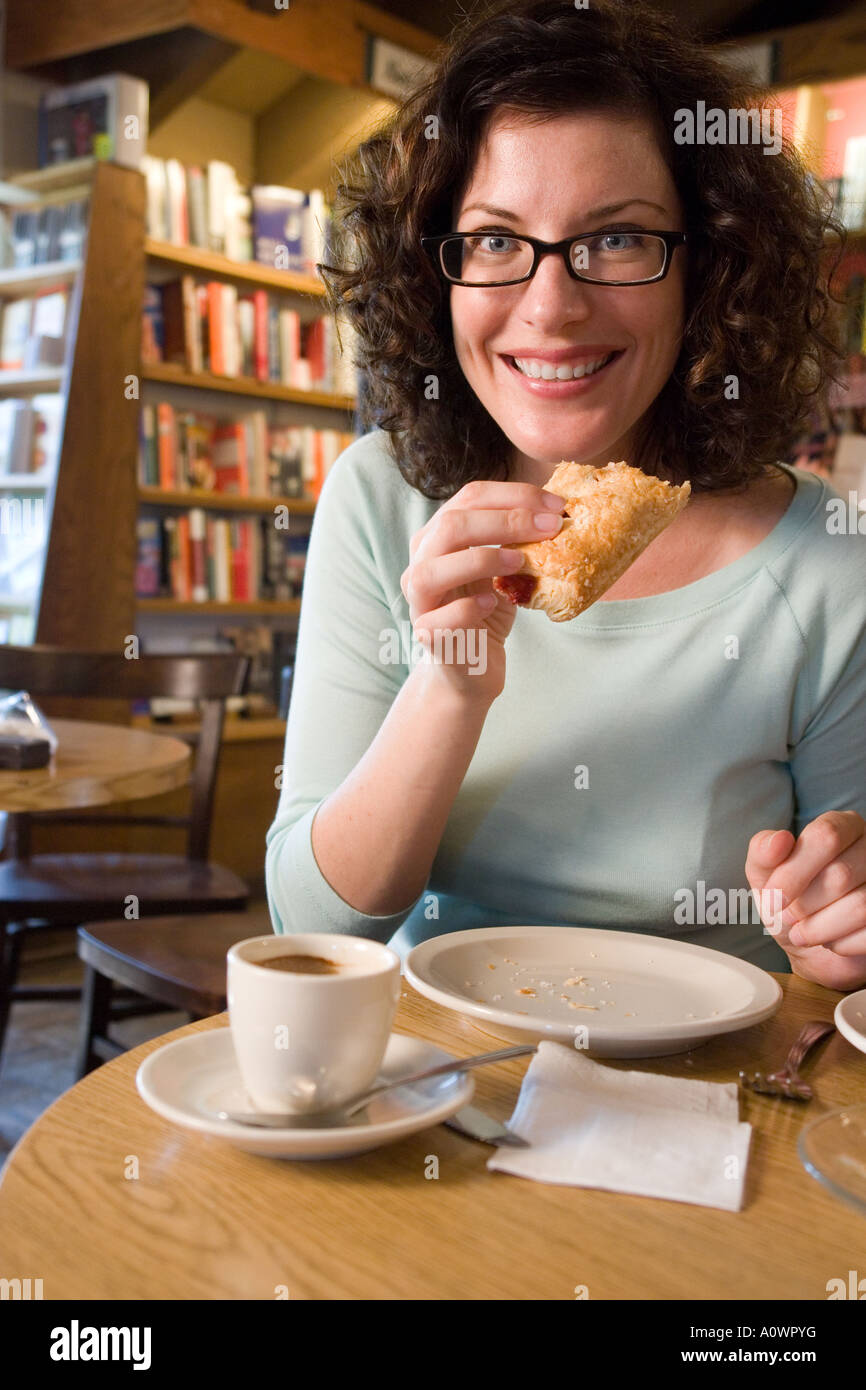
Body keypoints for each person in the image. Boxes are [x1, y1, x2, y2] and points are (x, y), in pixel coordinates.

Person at [266, 0, 866, 990]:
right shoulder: (378, 499)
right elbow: (314, 923)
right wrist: (449, 685)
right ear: (436, 272)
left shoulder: (831, 559)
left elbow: (837, 948)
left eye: (617, 239)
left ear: (705, 267)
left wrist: (835, 931)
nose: (549, 306)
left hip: (714, 1113)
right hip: (435, 1099)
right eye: (496, 241)